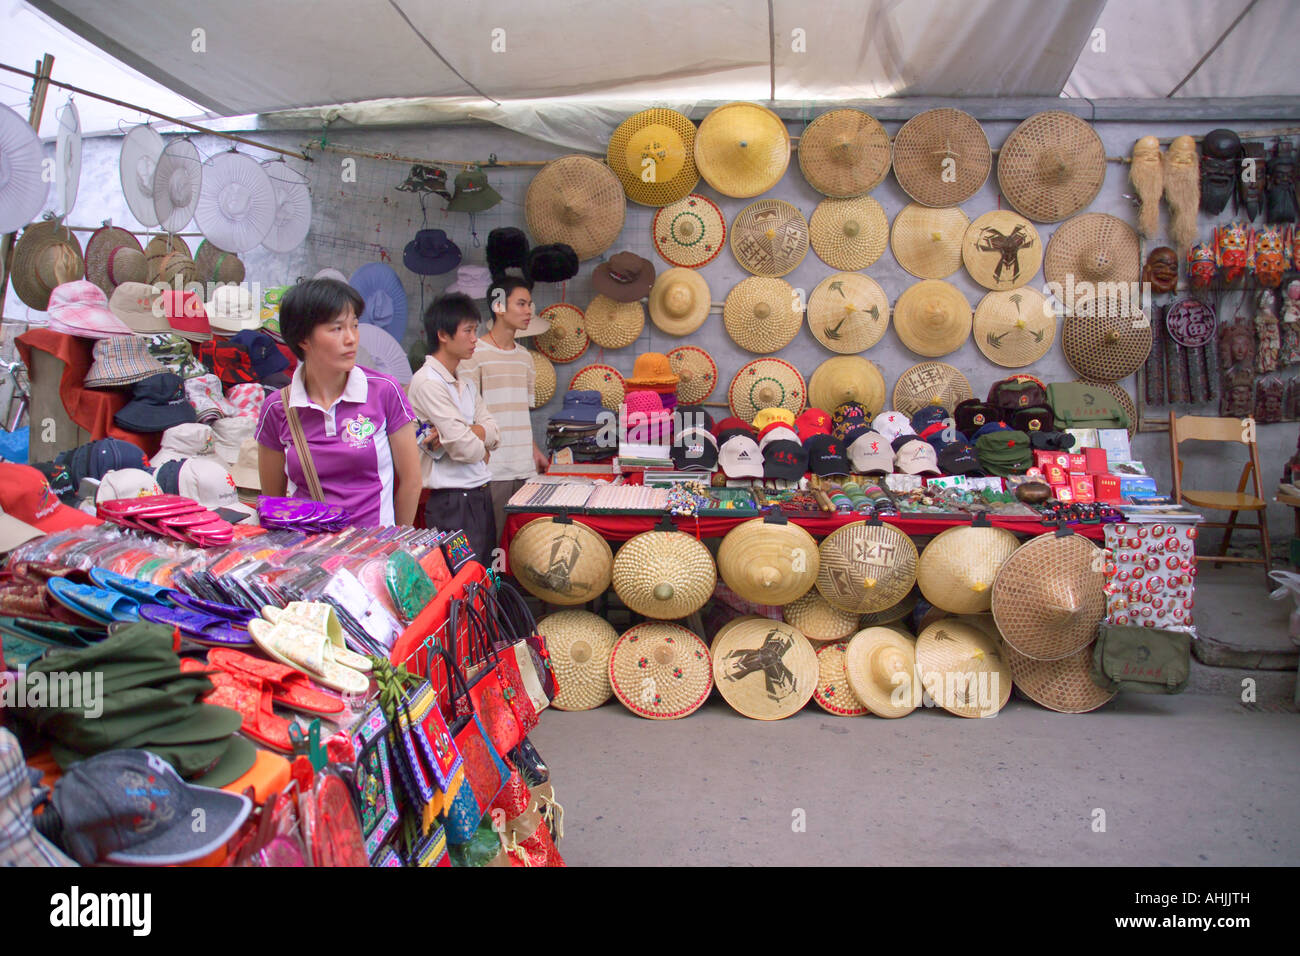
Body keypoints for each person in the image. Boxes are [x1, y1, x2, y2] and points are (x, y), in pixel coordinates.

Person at [255, 278, 421, 527]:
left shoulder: (384, 391)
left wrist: (397, 544)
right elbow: (274, 501)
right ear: (303, 339)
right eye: (337, 329)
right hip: (310, 558)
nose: (351, 338)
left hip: (375, 553)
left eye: (354, 325)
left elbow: (411, 480)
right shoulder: (277, 408)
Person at [408, 292, 501, 564]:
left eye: (476, 330)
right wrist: (475, 438)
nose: (475, 338)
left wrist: (470, 433)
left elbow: (495, 432)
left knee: (485, 578)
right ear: (443, 335)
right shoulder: (428, 382)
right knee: (461, 580)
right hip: (452, 504)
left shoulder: (466, 382)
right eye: (468, 330)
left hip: (478, 496)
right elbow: (468, 450)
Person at [458, 276, 550, 542]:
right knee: (490, 543)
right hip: (492, 469)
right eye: (521, 303)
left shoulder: (525, 359)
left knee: (524, 544)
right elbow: (468, 417)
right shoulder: (474, 355)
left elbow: (522, 413)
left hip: (525, 467)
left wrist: (534, 451)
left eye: (530, 304)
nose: (528, 311)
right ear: (498, 306)